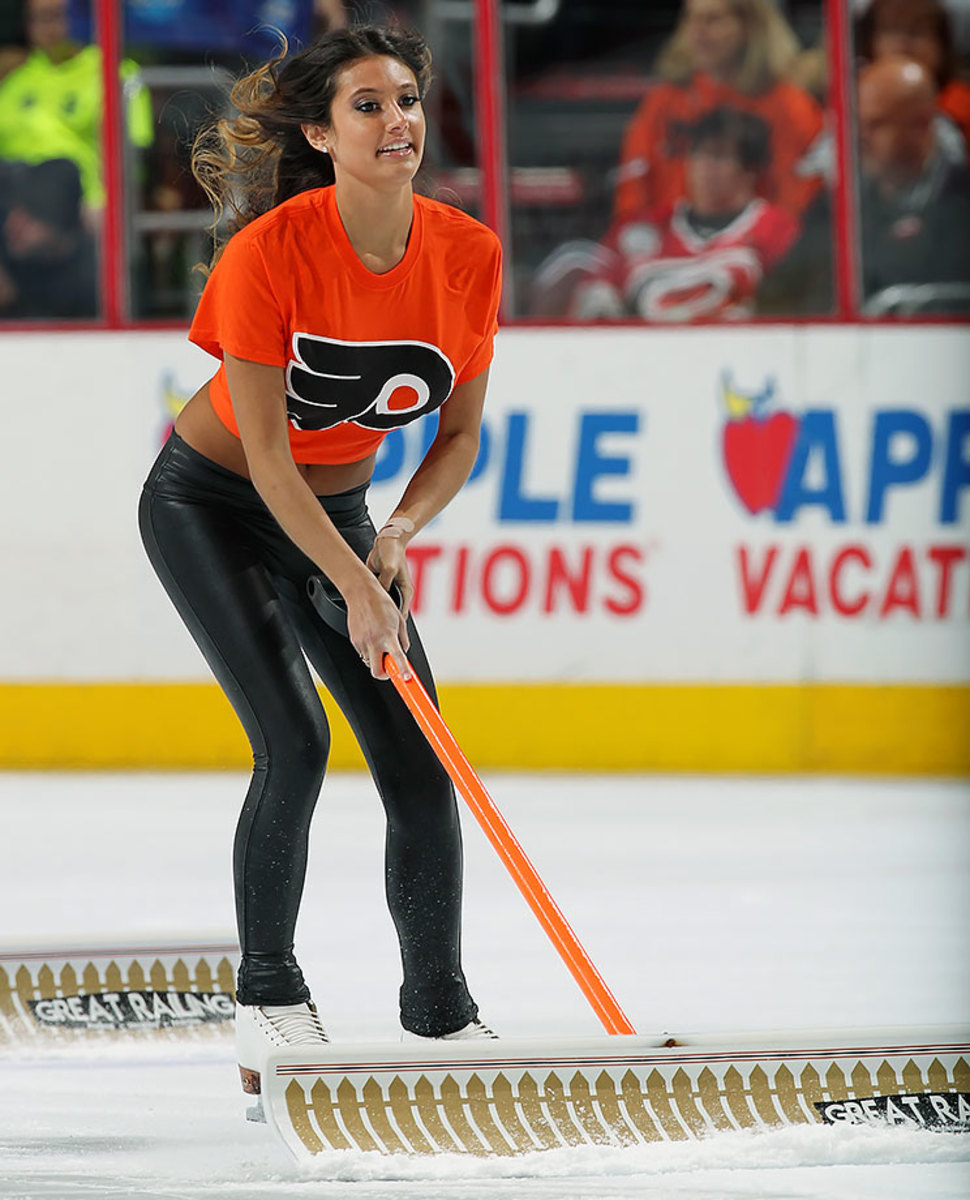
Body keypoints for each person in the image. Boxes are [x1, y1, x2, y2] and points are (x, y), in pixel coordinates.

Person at [137, 24, 502, 1092]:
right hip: (210, 502)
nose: (397, 123)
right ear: (319, 132)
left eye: (406, 101)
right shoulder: (271, 252)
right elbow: (263, 452)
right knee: (294, 741)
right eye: (367, 106)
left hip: (339, 515)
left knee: (418, 761)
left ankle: (440, 1016)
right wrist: (353, 584)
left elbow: (460, 436)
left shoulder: (467, 254)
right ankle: (270, 999)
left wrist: (390, 541)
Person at [532, 106, 799, 321]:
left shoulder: (776, 229)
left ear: (750, 170)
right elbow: (595, 298)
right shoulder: (643, 227)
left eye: (718, 156)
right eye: (697, 154)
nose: (703, 166)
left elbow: (785, 305)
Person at [613, 0, 826, 223]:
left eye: (713, 20)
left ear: (750, 26)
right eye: (691, 18)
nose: (698, 31)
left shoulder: (790, 106)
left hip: (756, 248)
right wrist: (637, 237)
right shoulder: (663, 101)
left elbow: (797, 200)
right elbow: (632, 188)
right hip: (670, 249)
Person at [0, 0, 153, 209]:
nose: (47, 26)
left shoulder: (115, 72)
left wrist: (106, 206)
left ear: (79, 15)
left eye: (56, 14)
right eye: (37, 17)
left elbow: (134, 155)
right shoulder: (14, 81)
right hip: (18, 215)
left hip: (87, 213)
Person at [856, 55, 970, 310]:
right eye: (858, 123)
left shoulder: (964, 202)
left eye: (876, 124)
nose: (861, 137)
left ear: (921, 124)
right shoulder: (839, 205)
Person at [855, 0, 970, 153]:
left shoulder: (961, 104)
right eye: (891, 29)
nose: (904, 42)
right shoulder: (854, 100)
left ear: (942, 45)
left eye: (918, 31)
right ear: (870, 43)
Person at [0, 156, 97, 317]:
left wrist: (12, 300)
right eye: (13, 210)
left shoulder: (92, 280)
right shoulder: (11, 253)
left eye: (31, 215)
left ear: (60, 221)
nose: (11, 225)